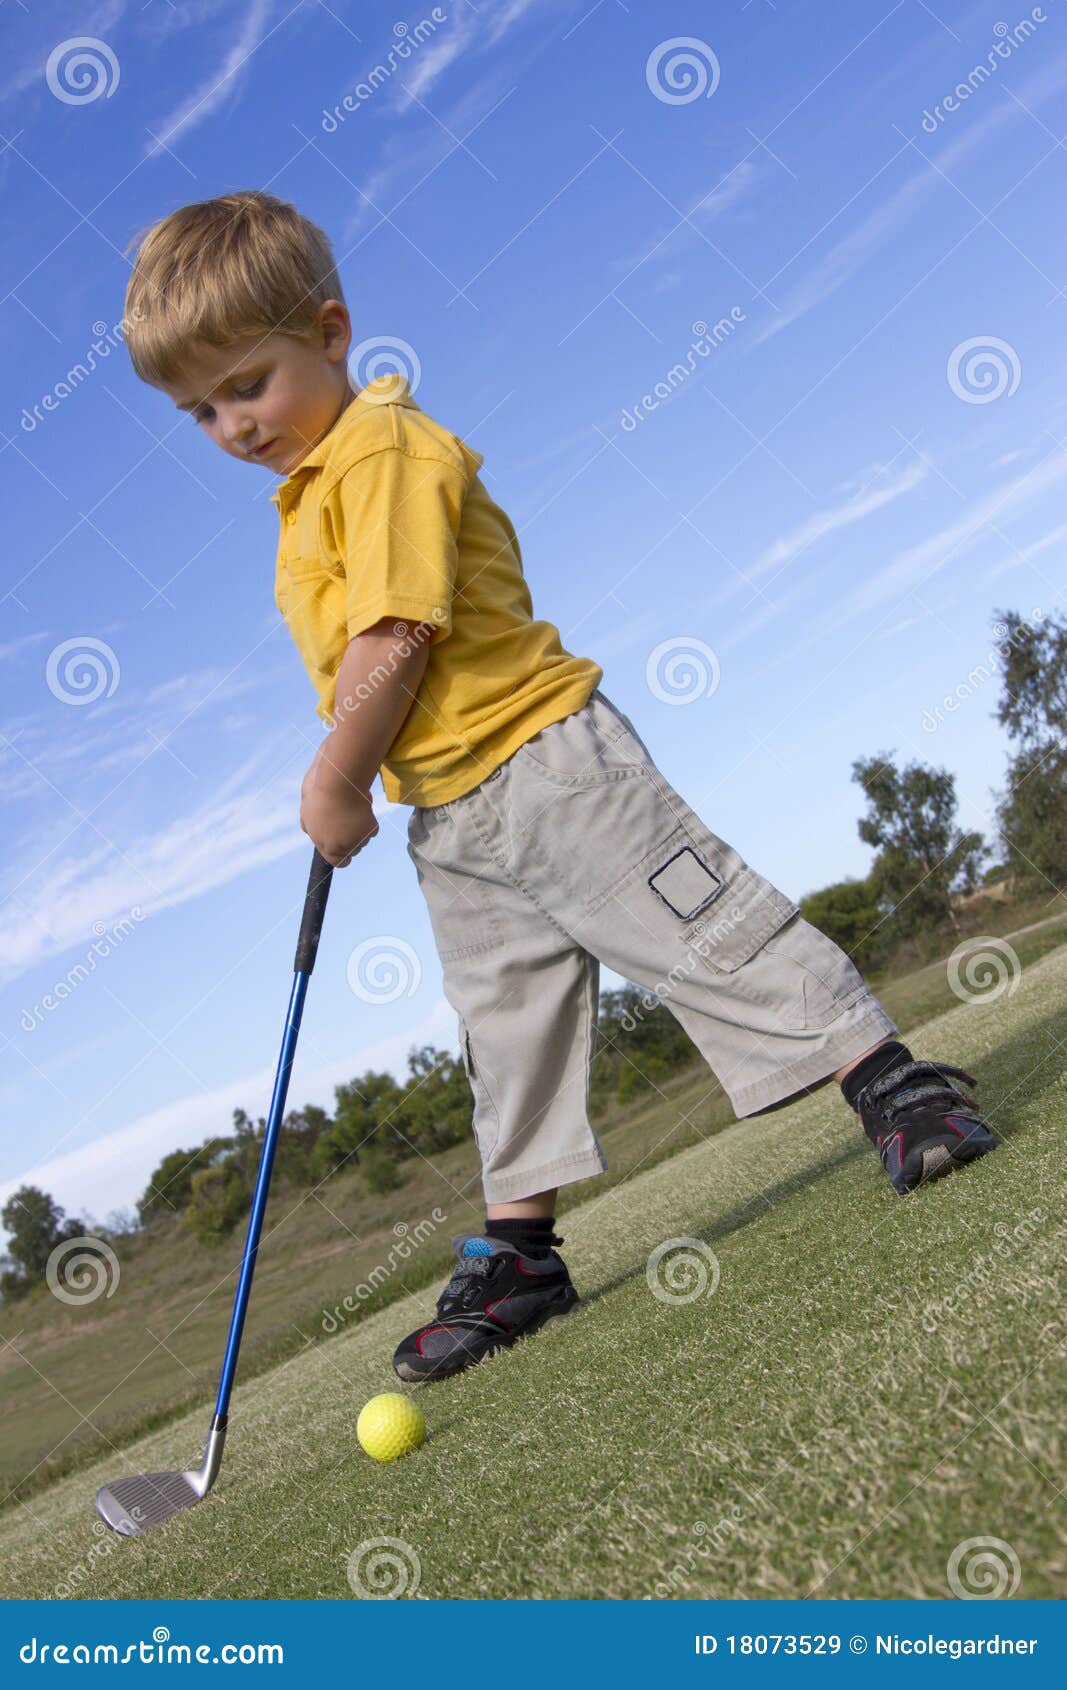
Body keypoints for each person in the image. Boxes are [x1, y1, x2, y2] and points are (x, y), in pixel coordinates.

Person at [122, 190, 998, 1384]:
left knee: (702, 927)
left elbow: (396, 633)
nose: (230, 425)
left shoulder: (378, 447)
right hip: (454, 812)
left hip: (548, 759)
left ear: (328, 333)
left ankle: (892, 1083)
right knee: (507, 1035)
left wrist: (333, 776)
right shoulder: (308, 492)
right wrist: (371, 773)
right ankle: (522, 1252)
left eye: (248, 384)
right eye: (200, 410)